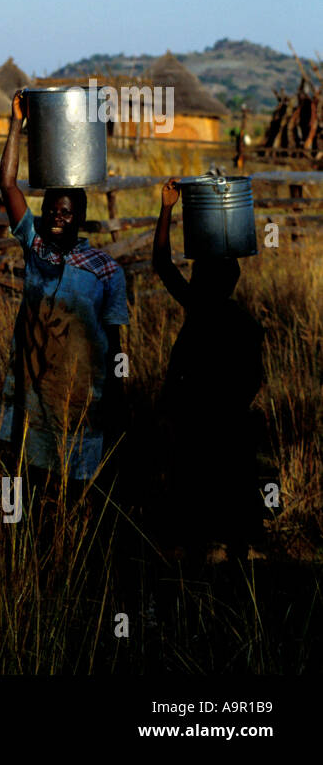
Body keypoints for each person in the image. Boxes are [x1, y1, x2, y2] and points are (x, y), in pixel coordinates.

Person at [0, 91, 128, 496]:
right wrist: (16, 122)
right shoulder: (35, 246)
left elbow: (117, 343)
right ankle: (34, 551)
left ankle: (73, 552)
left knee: (76, 480)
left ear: (80, 219)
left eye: (66, 212)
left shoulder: (105, 270)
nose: (56, 217)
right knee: (31, 472)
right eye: (51, 209)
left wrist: (118, 394)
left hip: (82, 391)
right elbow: (6, 181)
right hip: (34, 386)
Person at [152, 177, 264, 560]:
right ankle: (232, 551)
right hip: (227, 423)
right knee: (231, 490)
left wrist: (167, 208)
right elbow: (255, 379)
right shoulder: (245, 323)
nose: (195, 276)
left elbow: (162, 263)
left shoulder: (197, 308)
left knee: (196, 488)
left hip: (199, 421)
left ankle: (206, 551)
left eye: (199, 272)